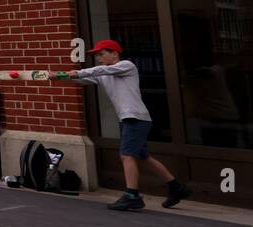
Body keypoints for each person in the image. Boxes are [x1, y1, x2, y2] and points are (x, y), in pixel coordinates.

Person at [52, 39, 193, 211]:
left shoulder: (127, 66)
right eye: (96, 55)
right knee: (143, 156)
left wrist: (78, 72)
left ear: (114, 53)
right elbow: (85, 79)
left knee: (126, 155)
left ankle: (132, 195)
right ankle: (176, 188)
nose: (98, 58)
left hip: (135, 118)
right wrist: (60, 77)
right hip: (131, 119)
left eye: (101, 54)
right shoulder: (105, 74)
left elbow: (99, 70)